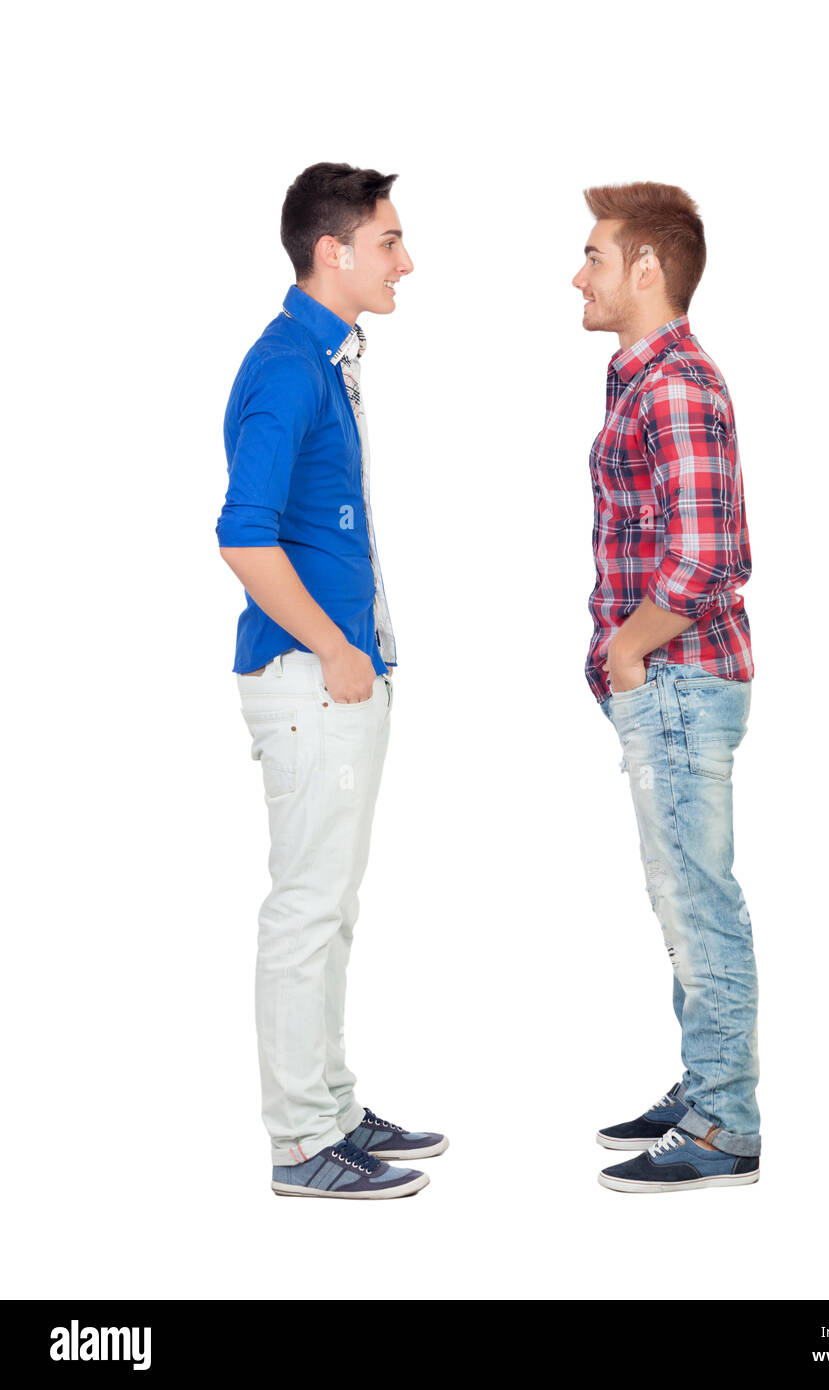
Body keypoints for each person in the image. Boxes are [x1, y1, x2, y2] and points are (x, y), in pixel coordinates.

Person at [216, 162, 447, 1199]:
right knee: (306, 908)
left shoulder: (325, 360)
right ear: (332, 251)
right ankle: (304, 1145)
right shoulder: (288, 367)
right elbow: (242, 536)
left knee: (330, 906)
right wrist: (341, 650)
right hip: (312, 682)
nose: (406, 260)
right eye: (389, 240)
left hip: (337, 680)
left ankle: (334, 1108)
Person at [572, 181, 760, 1193]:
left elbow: (705, 560)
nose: (579, 274)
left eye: (595, 256)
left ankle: (725, 1123)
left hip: (680, 682)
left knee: (699, 900)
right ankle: (704, 1088)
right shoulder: (638, 378)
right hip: (666, 684)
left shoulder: (676, 383)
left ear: (648, 268)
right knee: (681, 896)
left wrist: (628, 652)